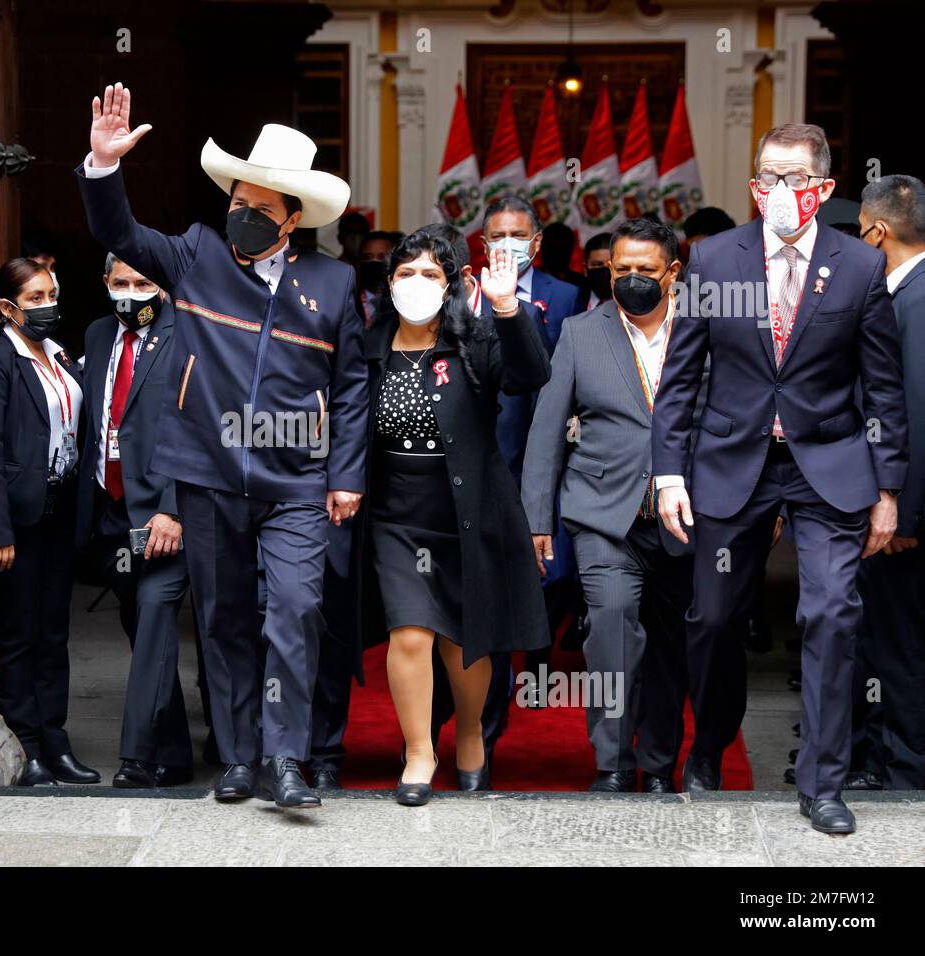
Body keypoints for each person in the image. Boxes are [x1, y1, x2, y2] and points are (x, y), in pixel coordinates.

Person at [76, 83, 368, 810]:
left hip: (297, 481)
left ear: (293, 220)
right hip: (207, 474)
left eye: (261, 208)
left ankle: (287, 759)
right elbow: (122, 236)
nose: (241, 214)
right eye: (237, 199)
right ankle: (239, 760)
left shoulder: (334, 284)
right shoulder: (197, 253)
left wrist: (346, 473)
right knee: (224, 619)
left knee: (295, 610)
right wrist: (104, 166)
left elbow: (354, 386)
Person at [652, 124, 908, 834]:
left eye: (795, 179)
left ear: (822, 189)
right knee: (712, 618)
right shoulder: (711, 260)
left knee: (830, 612)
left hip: (828, 464)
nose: (780, 191)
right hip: (732, 461)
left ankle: (823, 782)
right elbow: (680, 382)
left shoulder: (858, 266)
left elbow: (883, 389)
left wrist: (887, 490)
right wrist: (668, 472)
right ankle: (707, 749)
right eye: (768, 177)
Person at [357, 230, 551, 806]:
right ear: (389, 284)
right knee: (411, 632)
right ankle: (419, 750)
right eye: (406, 274)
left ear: (452, 285)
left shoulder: (477, 339)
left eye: (431, 275)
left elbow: (529, 375)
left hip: (468, 512)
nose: (417, 285)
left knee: (464, 642)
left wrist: (507, 307)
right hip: (396, 513)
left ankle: (470, 734)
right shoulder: (369, 347)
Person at [522, 218, 694, 793]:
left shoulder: (704, 329)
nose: (632, 279)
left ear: (673, 272)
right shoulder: (579, 331)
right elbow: (546, 429)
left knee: (671, 644)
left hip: (683, 517)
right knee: (612, 627)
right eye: (622, 270)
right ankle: (614, 763)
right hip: (602, 514)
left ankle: (661, 765)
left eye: (646, 270)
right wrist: (537, 519)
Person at [0, 258, 96, 785]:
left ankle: (56, 738)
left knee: (53, 630)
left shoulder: (59, 353)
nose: (47, 306)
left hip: (60, 508)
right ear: (8, 307)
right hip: (19, 517)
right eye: (35, 299)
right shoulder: (1, 357)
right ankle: (26, 744)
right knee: (19, 632)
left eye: (51, 294)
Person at [76, 253, 193, 788]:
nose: (130, 292)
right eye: (120, 282)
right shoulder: (99, 334)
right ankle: (174, 753)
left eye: (142, 282)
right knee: (140, 626)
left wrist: (172, 507)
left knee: (153, 614)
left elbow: (198, 426)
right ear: (105, 283)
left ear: (162, 287)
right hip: (110, 509)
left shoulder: (188, 332)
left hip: (167, 512)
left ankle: (137, 758)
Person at [851, 174, 925, 790]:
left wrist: (903, 509)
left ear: (876, 234)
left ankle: (907, 774)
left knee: (901, 649)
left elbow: (917, 410)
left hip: (906, 518)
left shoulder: (915, 299)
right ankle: (881, 760)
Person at [481, 197, 587, 482]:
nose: (507, 243)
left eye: (517, 236)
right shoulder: (471, 295)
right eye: (497, 236)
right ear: (484, 244)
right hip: (489, 432)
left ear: (537, 241)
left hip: (548, 427)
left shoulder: (567, 294)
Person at [356, 229, 399, 326]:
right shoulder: (348, 301)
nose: (374, 262)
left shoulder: (403, 303)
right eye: (367, 257)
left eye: (382, 257)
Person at [583, 231, 612, 309]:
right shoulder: (575, 300)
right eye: (598, 264)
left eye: (611, 264)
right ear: (585, 269)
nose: (606, 271)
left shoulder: (632, 304)